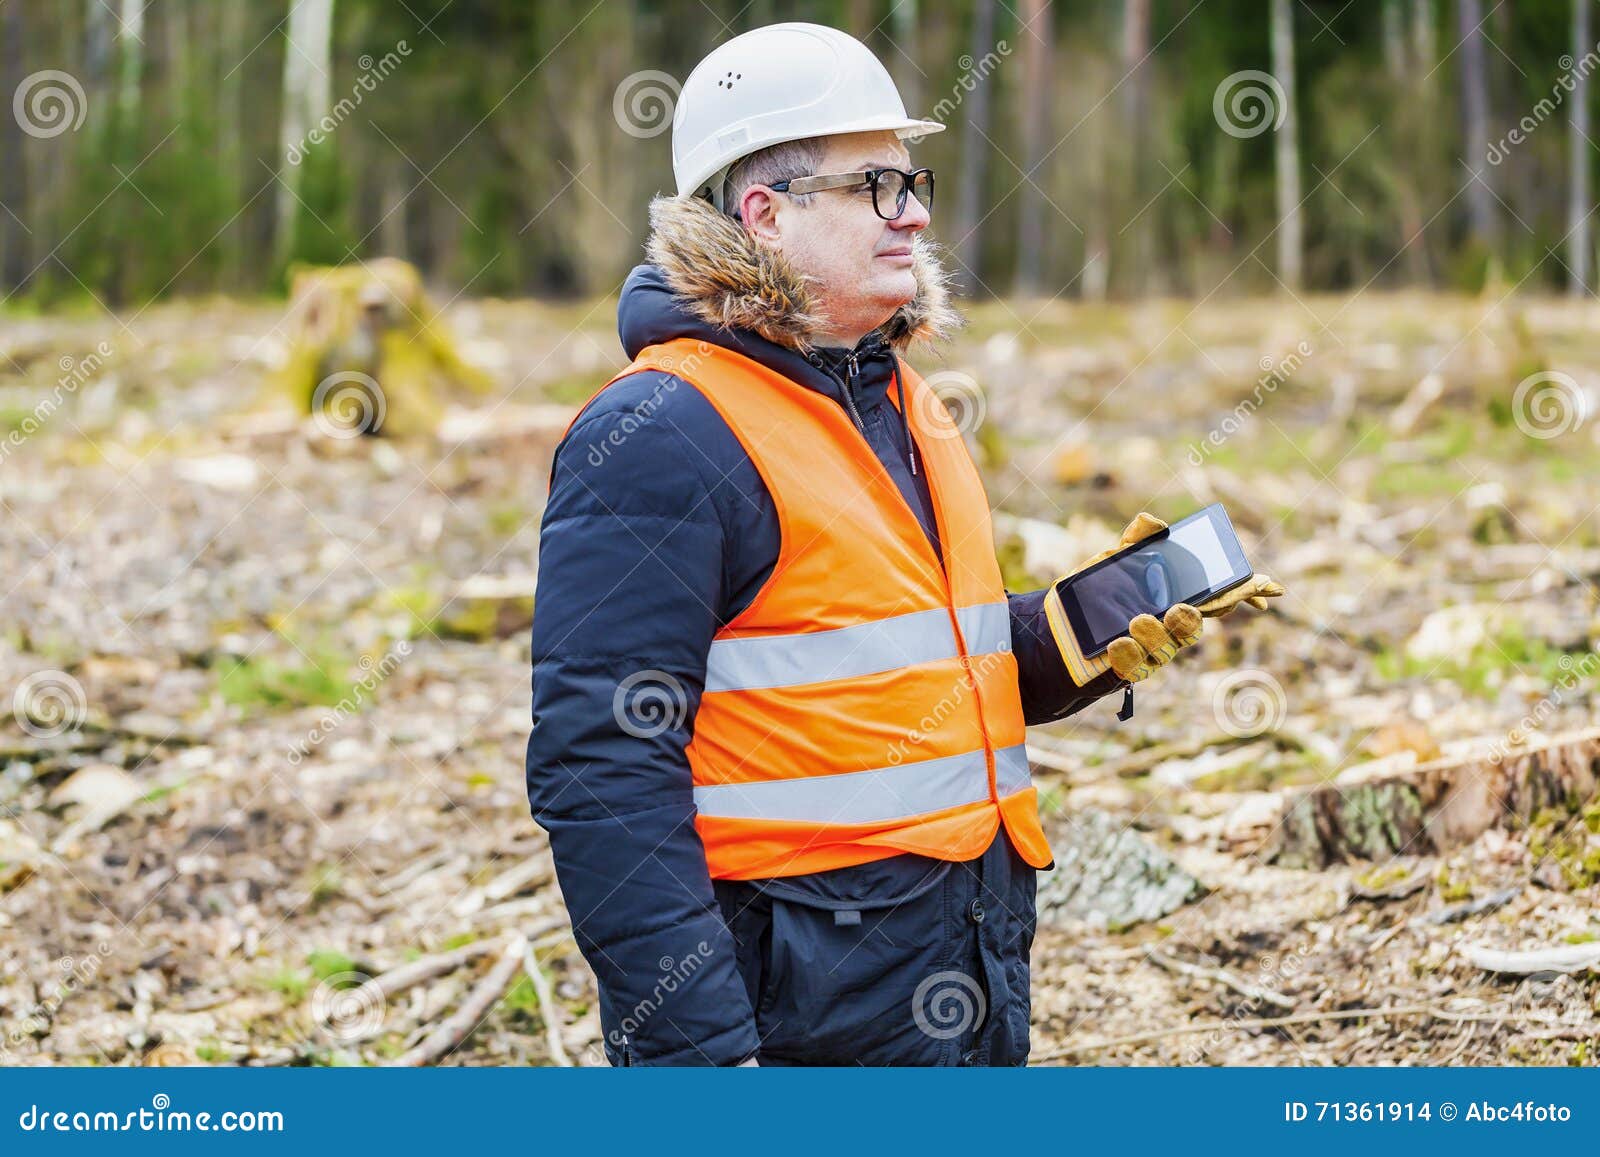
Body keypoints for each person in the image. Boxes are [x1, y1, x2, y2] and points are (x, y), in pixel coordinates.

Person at [524, 21, 1281, 1067]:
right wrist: (699, 1056)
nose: (916, 211)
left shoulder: (899, 398)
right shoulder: (657, 433)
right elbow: (600, 770)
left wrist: (1073, 638)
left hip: (954, 966)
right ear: (765, 213)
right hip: (794, 1010)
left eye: (910, 178)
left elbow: (894, 671)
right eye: (875, 185)